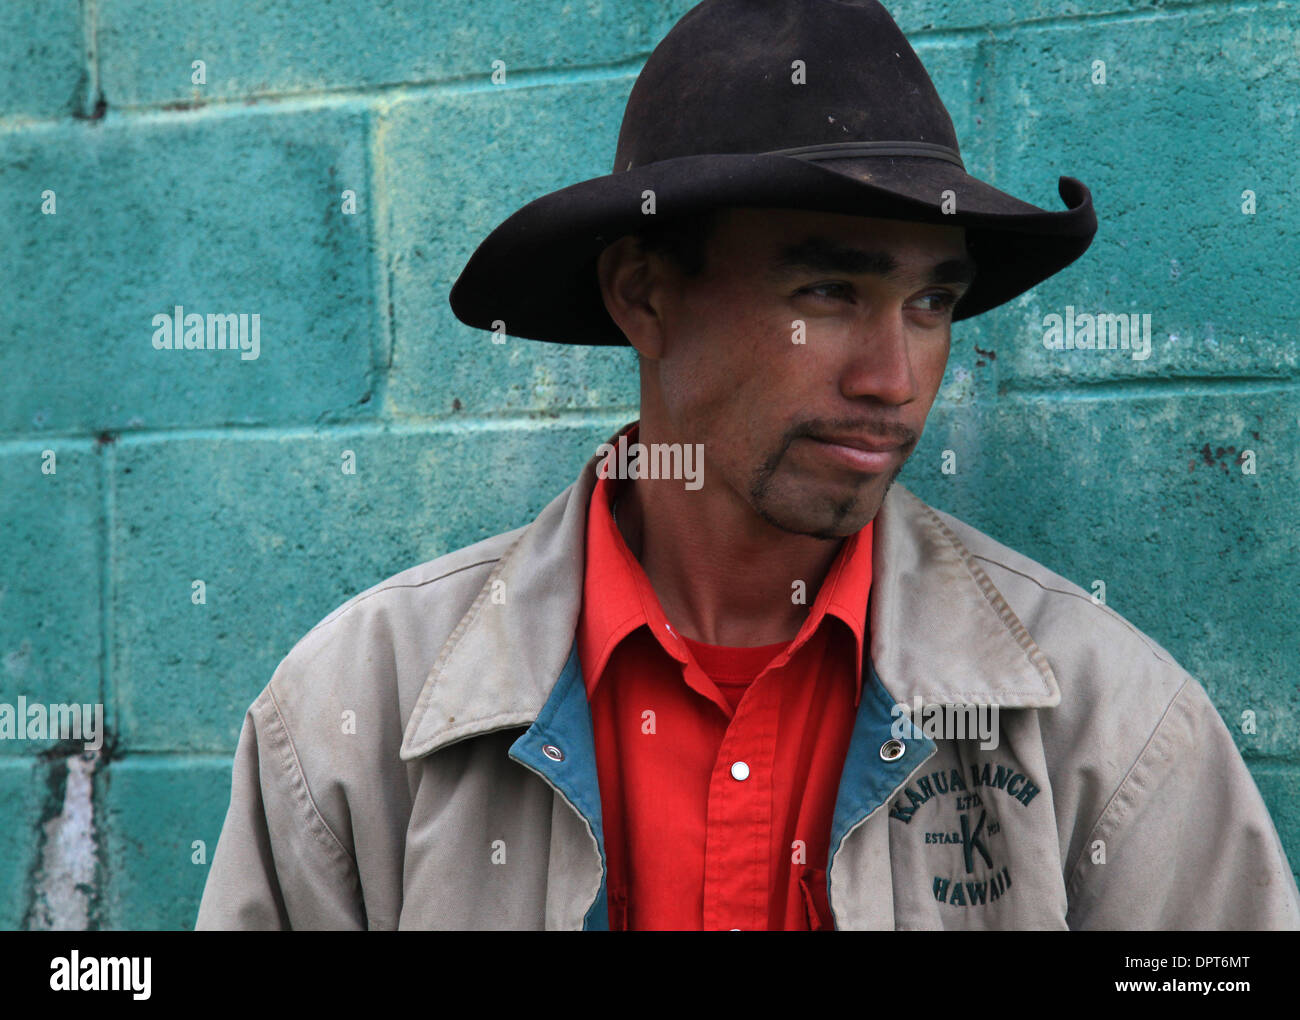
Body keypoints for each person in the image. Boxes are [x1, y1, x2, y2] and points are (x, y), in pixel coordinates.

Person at [196, 0, 1300, 930]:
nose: (895, 375)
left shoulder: (1110, 727)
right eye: (827, 293)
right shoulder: (355, 713)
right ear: (643, 295)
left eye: (932, 303)